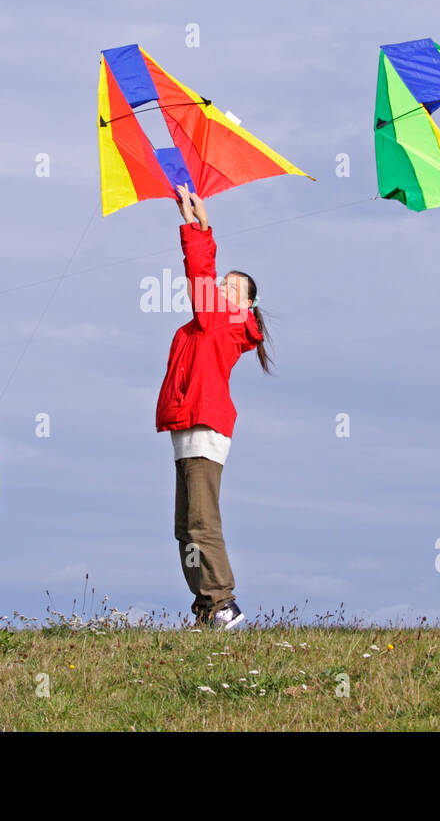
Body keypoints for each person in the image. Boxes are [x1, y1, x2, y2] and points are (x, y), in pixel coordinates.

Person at [155, 184, 272, 629]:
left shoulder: (226, 321)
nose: (221, 287)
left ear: (244, 302)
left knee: (201, 521)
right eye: (222, 284)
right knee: (184, 527)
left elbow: (199, 275)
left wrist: (198, 228)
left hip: (205, 424)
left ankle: (223, 603)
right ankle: (207, 609)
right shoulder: (207, 323)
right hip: (188, 425)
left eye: (230, 286)